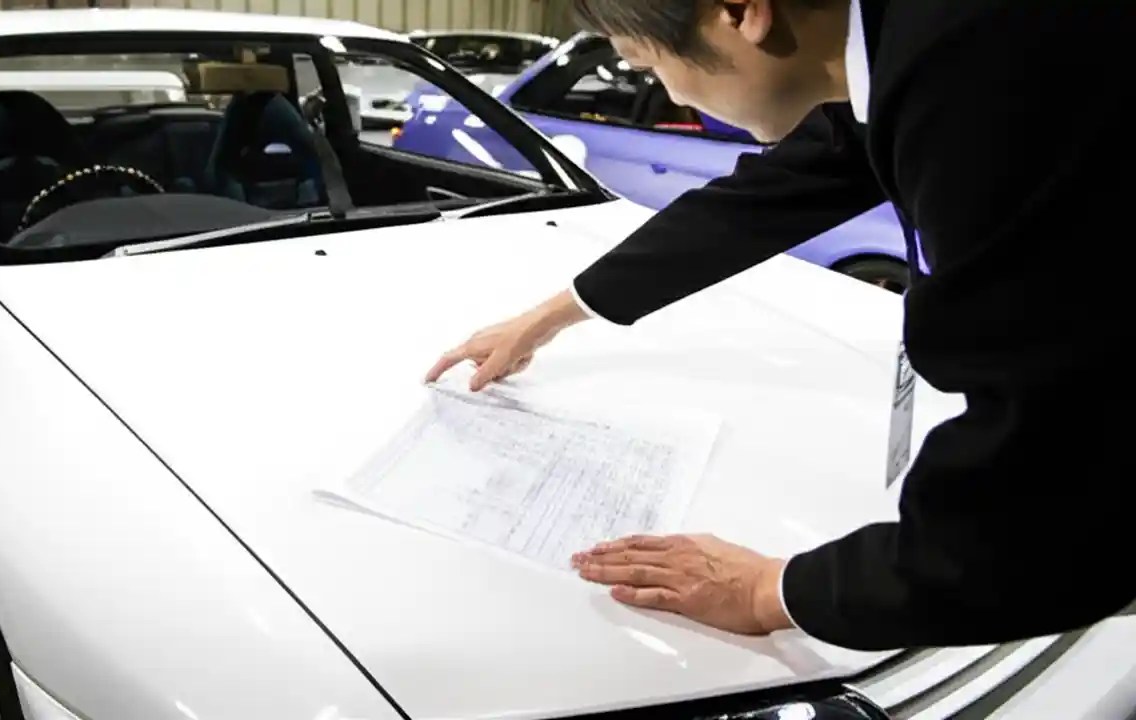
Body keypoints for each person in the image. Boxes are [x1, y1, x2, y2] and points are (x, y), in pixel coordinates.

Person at [424, 0, 1134, 652]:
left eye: (649, 65)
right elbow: (776, 190)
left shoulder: (985, 73)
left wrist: (770, 590)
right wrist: (554, 314)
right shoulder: (912, 39)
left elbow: (1040, 519)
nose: (671, 95)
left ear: (740, 11)